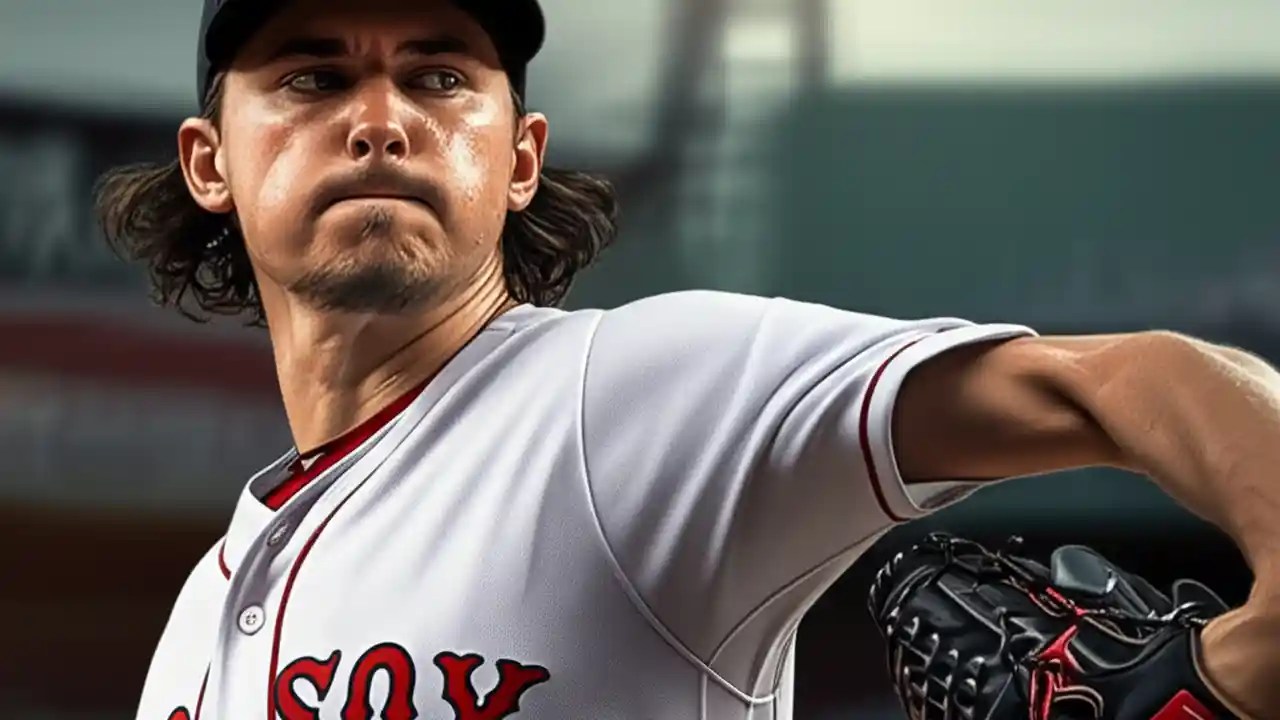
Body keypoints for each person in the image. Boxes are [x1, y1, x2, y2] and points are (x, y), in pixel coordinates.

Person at [94, 0, 1278, 718]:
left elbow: (1129, 378)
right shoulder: (201, 613)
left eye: (440, 76)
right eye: (312, 75)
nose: (381, 116)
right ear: (210, 163)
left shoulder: (623, 400)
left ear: (518, 158)